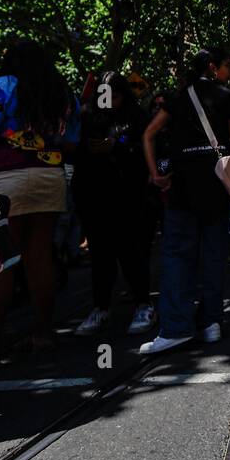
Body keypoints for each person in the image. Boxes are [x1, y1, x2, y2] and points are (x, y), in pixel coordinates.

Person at [0, 39, 80, 362]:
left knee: (2, 261)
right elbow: (72, 144)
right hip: (49, 178)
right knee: (40, 256)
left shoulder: (3, 85)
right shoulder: (62, 92)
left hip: (5, 181)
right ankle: (44, 332)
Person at [140, 47, 230, 353]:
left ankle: (176, 326)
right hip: (218, 184)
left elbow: (148, 134)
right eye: (226, 65)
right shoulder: (227, 96)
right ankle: (211, 323)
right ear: (213, 68)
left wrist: (155, 174)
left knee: (178, 254)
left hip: (184, 186)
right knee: (214, 253)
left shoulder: (177, 97)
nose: (228, 71)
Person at [73, 72, 157, 337]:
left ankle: (143, 303)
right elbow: (74, 149)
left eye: (116, 96)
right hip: (95, 196)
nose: (110, 101)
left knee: (133, 253)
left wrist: (118, 146)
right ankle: (100, 307)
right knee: (100, 256)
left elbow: (147, 149)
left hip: (129, 197)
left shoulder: (138, 117)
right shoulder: (88, 118)